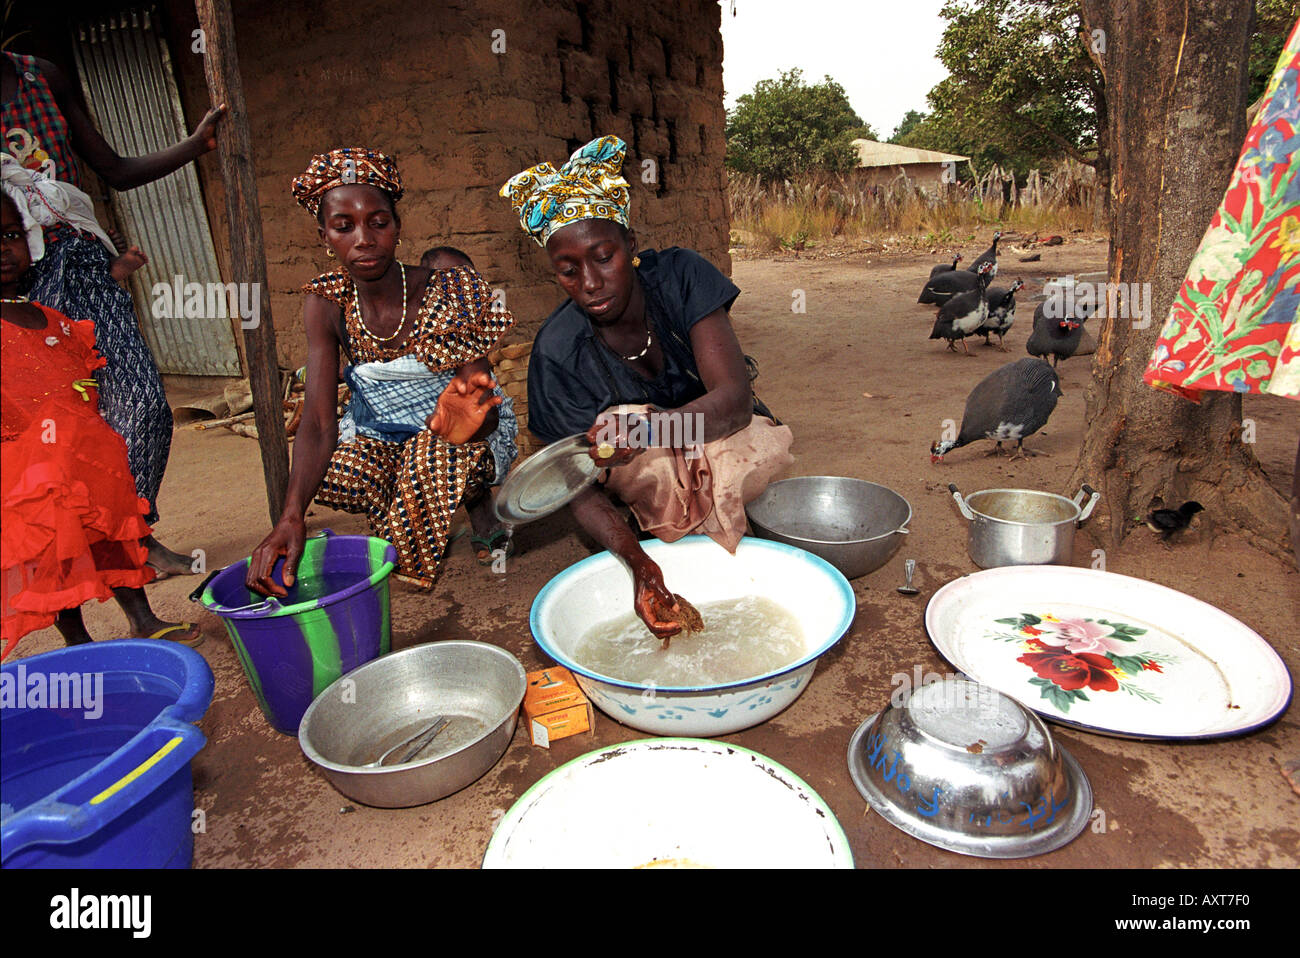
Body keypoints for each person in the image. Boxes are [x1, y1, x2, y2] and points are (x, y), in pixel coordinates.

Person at [500, 135, 794, 640]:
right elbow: (576, 486)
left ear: (631, 248)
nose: (590, 282)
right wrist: (640, 568)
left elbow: (733, 400)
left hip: (718, 431)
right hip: (642, 472)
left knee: (754, 451)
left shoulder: (682, 277)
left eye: (603, 257)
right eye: (569, 271)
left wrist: (653, 425)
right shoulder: (557, 350)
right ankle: (658, 539)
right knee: (620, 440)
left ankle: (717, 527)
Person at [245, 148, 517, 596]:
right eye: (343, 226)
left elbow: (482, 409)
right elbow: (316, 423)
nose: (364, 239)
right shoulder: (327, 302)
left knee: (432, 454)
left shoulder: (447, 287)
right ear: (324, 235)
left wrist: (461, 417)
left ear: (397, 227)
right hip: (383, 432)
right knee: (330, 473)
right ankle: (403, 517)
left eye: (378, 222)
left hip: (461, 439)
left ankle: (464, 503)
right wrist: (291, 514)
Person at [2, 50, 225, 576]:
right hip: (13, 285)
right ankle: (72, 556)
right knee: (52, 432)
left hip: (77, 261)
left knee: (143, 403)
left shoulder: (41, 75)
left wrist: (195, 145)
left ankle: (132, 535)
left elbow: (114, 170)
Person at [1, 191, 201, 659]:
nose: (3, 248)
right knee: (55, 557)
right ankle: (78, 642)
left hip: (87, 459)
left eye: (11, 235)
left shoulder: (53, 319)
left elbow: (82, 381)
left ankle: (143, 619)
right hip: (30, 473)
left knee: (116, 536)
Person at [418, 244, 517, 564]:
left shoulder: (473, 335)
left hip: (475, 437)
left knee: (465, 441)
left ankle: (482, 513)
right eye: (449, 284)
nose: (461, 292)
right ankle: (419, 528)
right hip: (420, 442)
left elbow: (491, 418)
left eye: (469, 283)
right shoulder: (412, 331)